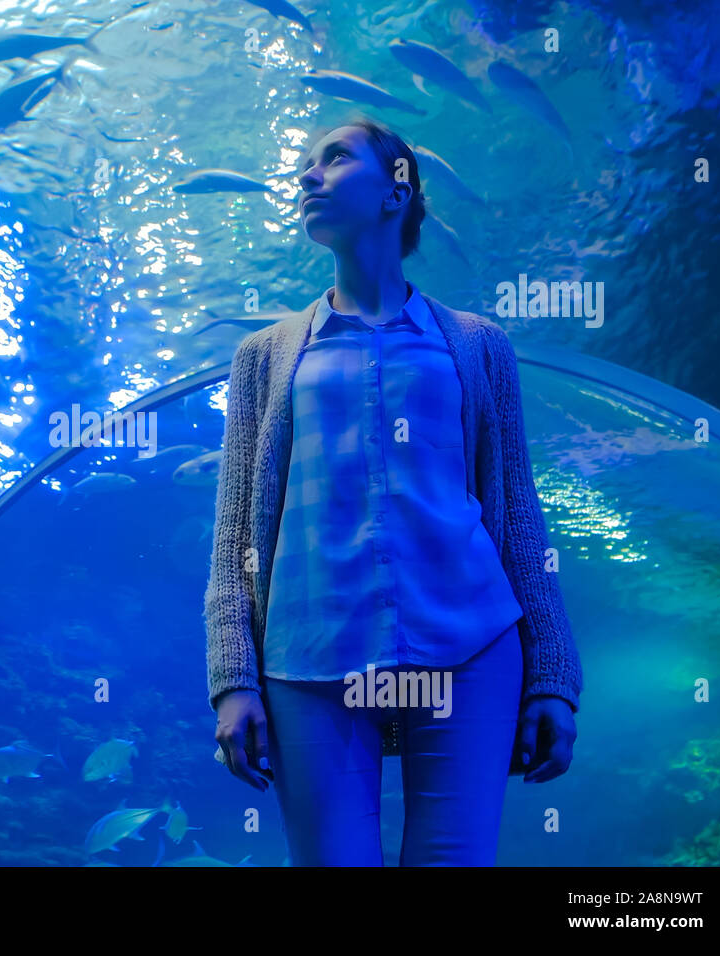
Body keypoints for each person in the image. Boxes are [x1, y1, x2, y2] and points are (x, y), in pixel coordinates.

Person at [203, 117, 583, 866]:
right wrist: (230, 678)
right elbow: (235, 540)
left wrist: (553, 674)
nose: (307, 177)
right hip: (306, 657)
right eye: (304, 166)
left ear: (397, 186)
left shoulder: (477, 344)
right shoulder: (263, 356)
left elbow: (522, 524)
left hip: (471, 647)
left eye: (334, 160)